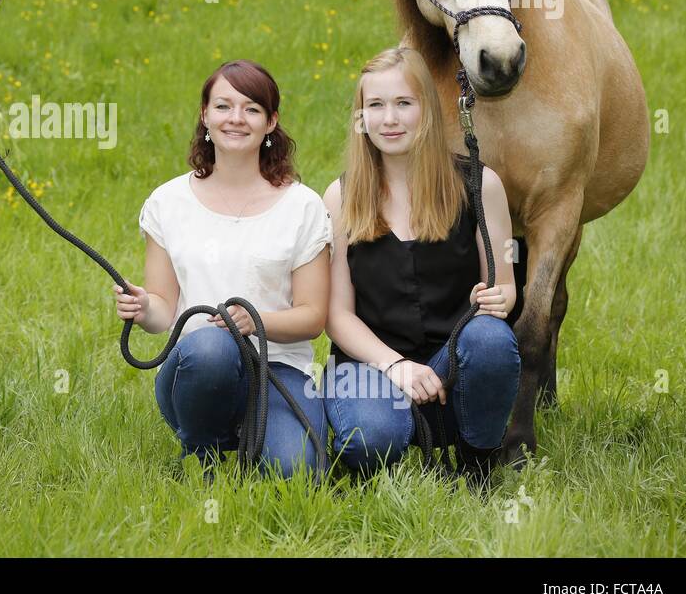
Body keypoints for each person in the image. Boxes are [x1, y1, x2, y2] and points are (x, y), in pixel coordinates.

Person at [114, 59, 331, 479]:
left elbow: (313, 318)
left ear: (271, 122)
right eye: (223, 106)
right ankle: (202, 453)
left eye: (251, 108)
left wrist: (256, 320)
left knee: (297, 473)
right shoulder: (168, 202)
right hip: (198, 365)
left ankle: (259, 434)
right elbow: (163, 311)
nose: (236, 118)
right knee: (213, 346)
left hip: (278, 368)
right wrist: (144, 308)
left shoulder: (303, 206)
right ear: (204, 116)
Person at [322, 46, 520, 487]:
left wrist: (496, 299)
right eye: (375, 105)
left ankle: (476, 462)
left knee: (489, 339)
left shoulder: (480, 185)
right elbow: (336, 316)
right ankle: (376, 440)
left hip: (451, 362)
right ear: (361, 116)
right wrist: (396, 367)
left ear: (427, 109)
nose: (389, 119)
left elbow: (505, 288)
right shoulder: (340, 198)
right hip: (369, 366)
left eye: (403, 104)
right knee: (373, 438)